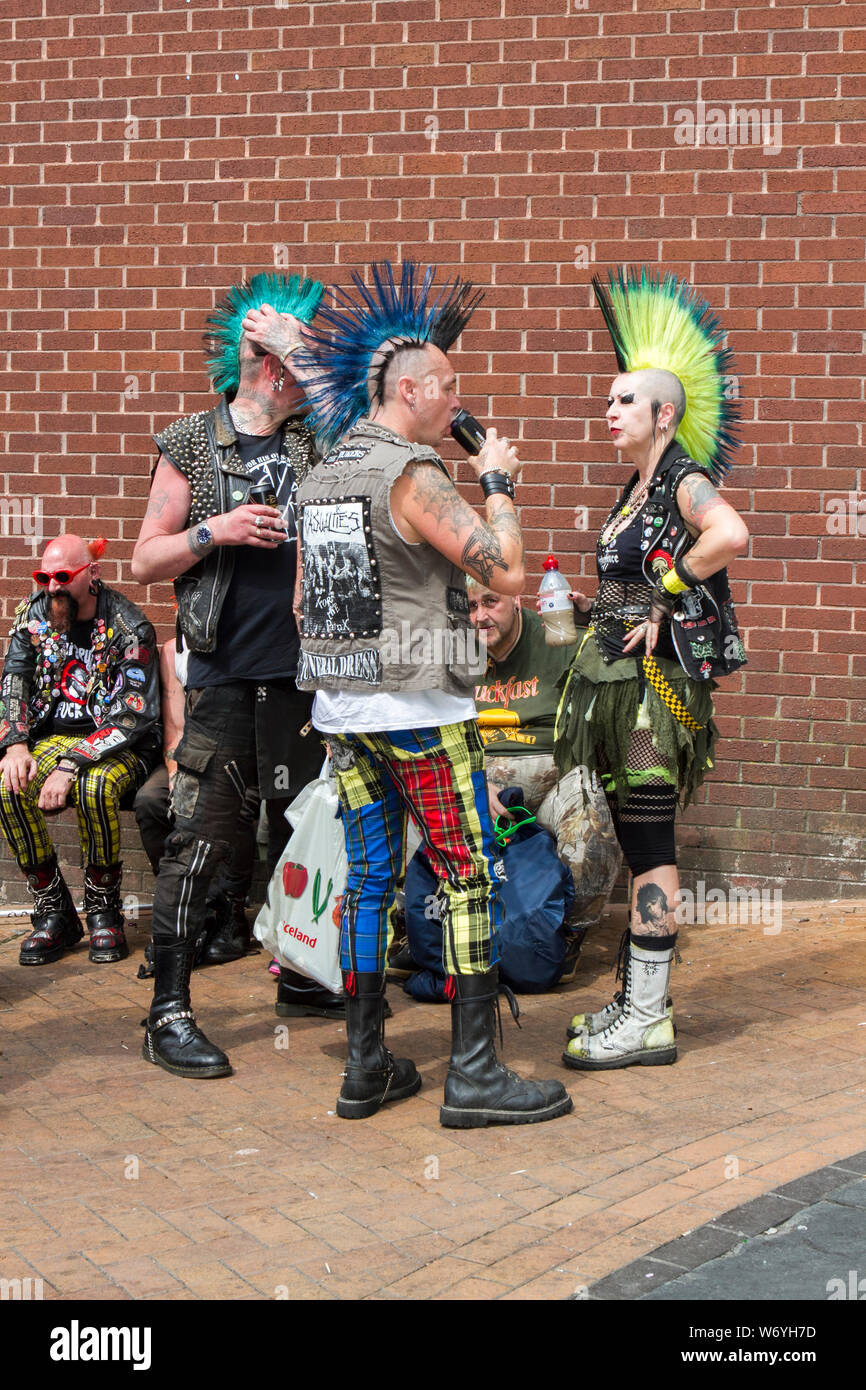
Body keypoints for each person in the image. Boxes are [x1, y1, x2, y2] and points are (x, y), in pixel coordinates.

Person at [283, 261, 572, 1127]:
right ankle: (475, 1072)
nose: (458, 402)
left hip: (343, 710)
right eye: (448, 388)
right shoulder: (415, 473)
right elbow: (509, 572)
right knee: (469, 873)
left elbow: (305, 602)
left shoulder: (326, 472)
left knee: (370, 880)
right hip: (419, 708)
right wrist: (498, 483)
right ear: (409, 388)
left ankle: (365, 1066)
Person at [131, 271, 329, 1080]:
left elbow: (350, 394)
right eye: (291, 357)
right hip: (224, 677)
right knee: (200, 844)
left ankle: (304, 973)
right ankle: (168, 1013)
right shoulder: (190, 442)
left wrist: (297, 350)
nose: (302, 372)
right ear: (265, 366)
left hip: (303, 679)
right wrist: (217, 529)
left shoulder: (313, 439)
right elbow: (146, 558)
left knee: (304, 832)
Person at [556, 267, 750, 1071]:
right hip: (618, 688)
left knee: (651, 839)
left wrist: (665, 592)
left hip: (654, 697)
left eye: (623, 402)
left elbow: (730, 535)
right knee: (640, 839)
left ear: (663, 414)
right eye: (609, 401)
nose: (609, 412)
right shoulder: (634, 489)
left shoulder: (683, 481)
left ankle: (644, 1019)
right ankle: (644, 1001)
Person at [0, 534, 161, 965]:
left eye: (63, 577)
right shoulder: (35, 616)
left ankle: (104, 910)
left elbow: (132, 713)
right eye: (44, 577)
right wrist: (15, 745)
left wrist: (71, 764)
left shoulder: (129, 626)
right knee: (8, 785)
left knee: (94, 787)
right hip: (54, 736)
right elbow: (15, 679)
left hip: (124, 742)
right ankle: (54, 914)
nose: (52, 587)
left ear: (92, 573)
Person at [468, 579, 621, 981]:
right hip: (476, 782)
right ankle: (419, 925)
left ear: (516, 599)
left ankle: (567, 931)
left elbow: (619, 654)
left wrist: (592, 616)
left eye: (490, 602)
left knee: (588, 803)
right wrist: (470, 782)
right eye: (469, 606)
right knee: (411, 795)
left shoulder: (558, 635)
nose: (479, 616)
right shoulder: (448, 646)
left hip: (552, 785)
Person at [132, 634, 261, 968]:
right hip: (189, 756)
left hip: (236, 757)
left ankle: (231, 912)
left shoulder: (240, 640)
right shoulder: (172, 651)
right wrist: (177, 774)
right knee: (151, 800)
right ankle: (185, 909)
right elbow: (175, 727)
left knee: (238, 806)